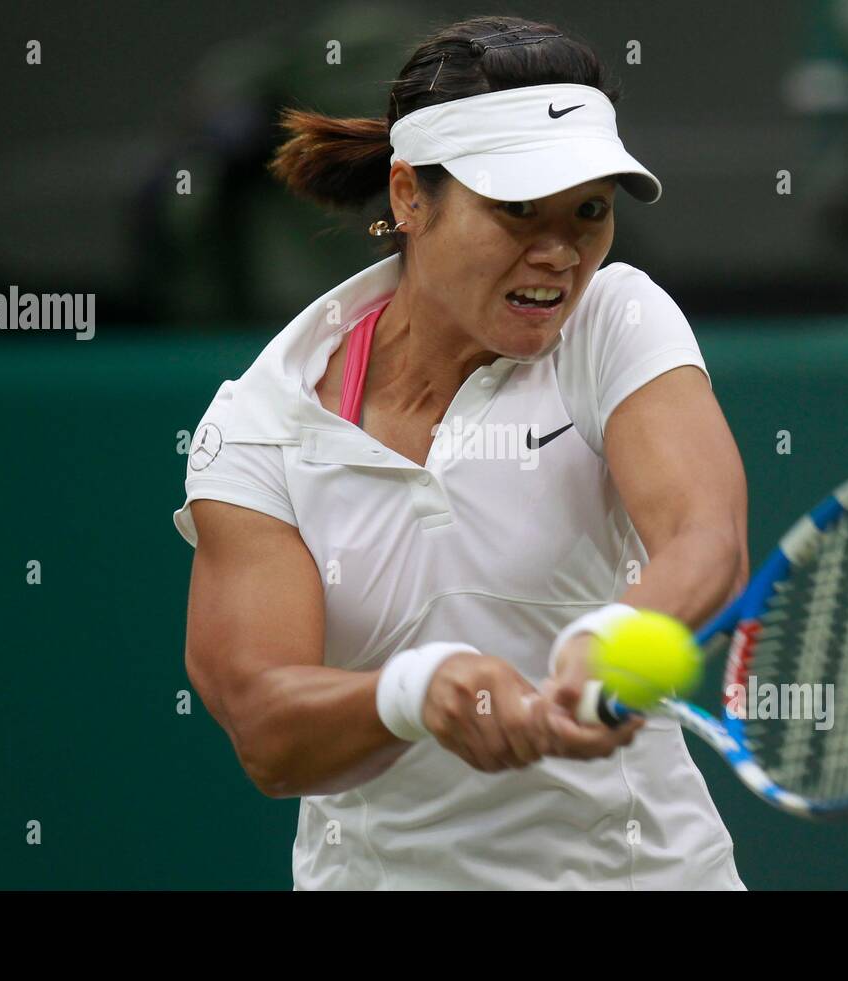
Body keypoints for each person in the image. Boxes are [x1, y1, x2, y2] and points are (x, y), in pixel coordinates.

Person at [173, 16, 750, 889]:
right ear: (409, 196)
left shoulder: (615, 319)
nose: (559, 254)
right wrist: (419, 692)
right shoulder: (261, 423)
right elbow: (266, 729)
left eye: (590, 210)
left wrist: (615, 635)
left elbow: (705, 536)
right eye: (517, 208)